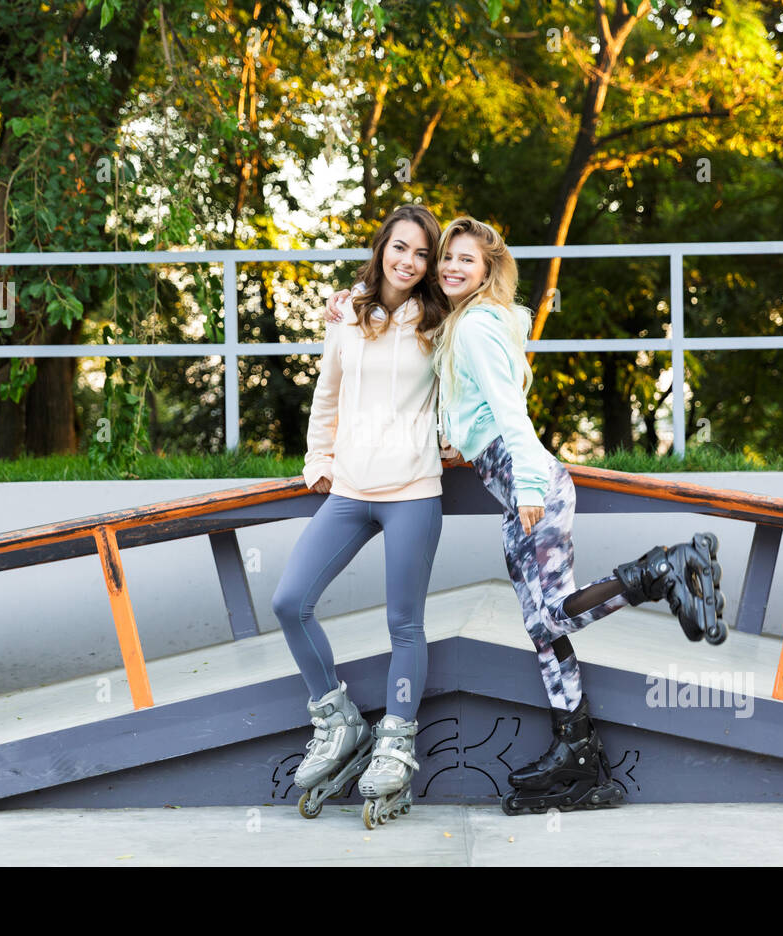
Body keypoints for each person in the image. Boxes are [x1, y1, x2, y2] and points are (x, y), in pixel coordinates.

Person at [331, 216, 728, 814]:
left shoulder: (476, 327)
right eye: (448, 259)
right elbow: (471, 405)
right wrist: (350, 301)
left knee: (555, 616)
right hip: (518, 481)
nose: (452, 268)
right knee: (545, 629)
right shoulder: (466, 324)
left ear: (489, 271)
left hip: (528, 483)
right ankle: (578, 750)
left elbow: (511, 412)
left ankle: (659, 573)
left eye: (468, 260)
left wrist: (528, 490)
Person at [271, 204, 452, 827]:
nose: (408, 261)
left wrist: (454, 435)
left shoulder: (443, 320)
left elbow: (491, 357)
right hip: (348, 489)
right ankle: (337, 719)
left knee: (404, 624)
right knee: (289, 601)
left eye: (422, 254)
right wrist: (317, 456)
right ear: (381, 250)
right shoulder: (346, 315)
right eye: (399, 248)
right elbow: (327, 394)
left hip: (413, 493)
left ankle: (397, 740)